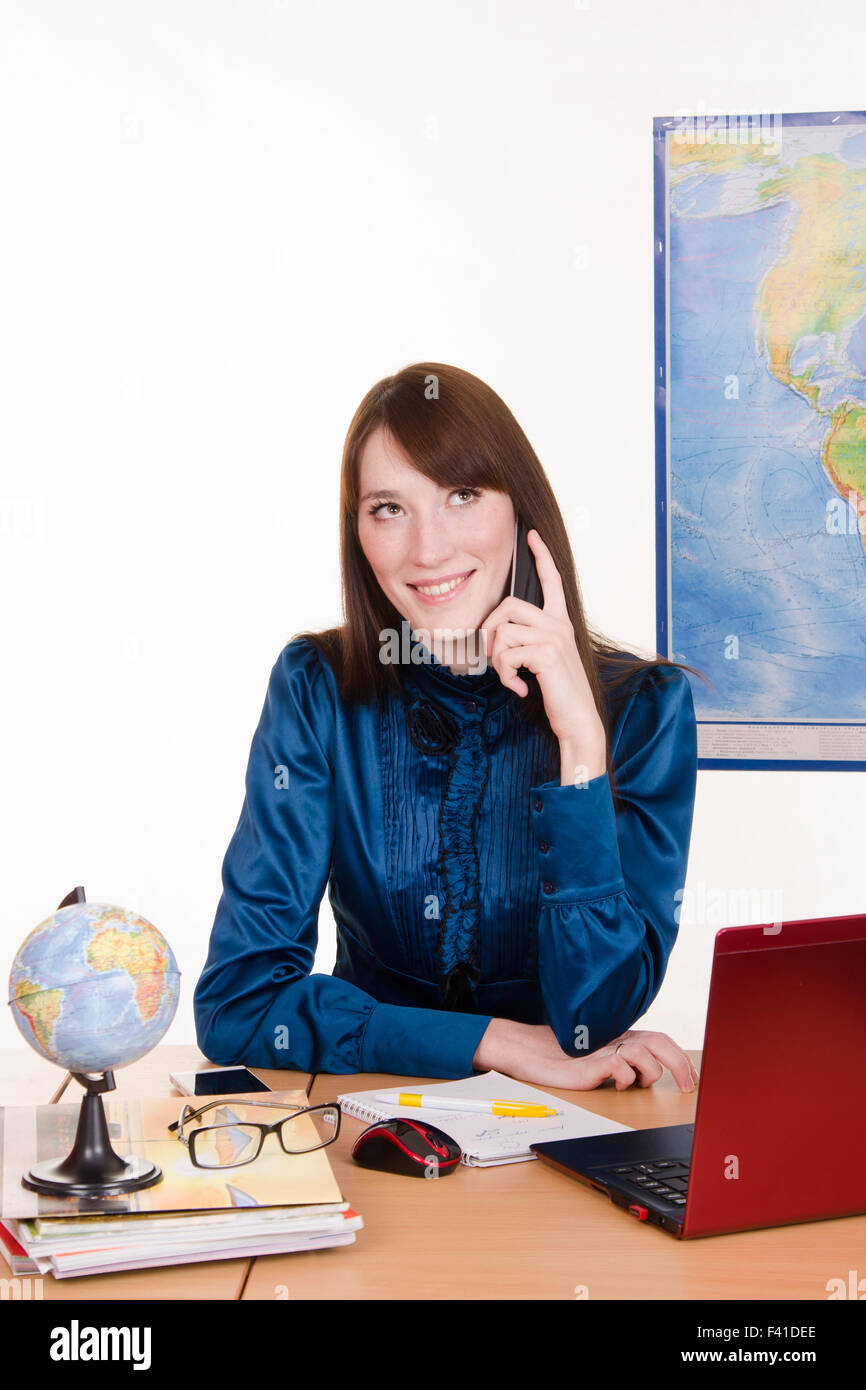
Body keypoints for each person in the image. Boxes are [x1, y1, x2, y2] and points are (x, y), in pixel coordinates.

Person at [194, 362, 705, 1093]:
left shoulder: (646, 708)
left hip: (575, 1135)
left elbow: (592, 1019)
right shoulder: (318, 687)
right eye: (389, 509)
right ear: (359, 534)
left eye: (461, 495)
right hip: (366, 1120)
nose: (428, 550)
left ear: (520, 510)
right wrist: (497, 1043)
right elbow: (239, 1005)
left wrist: (582, 750)